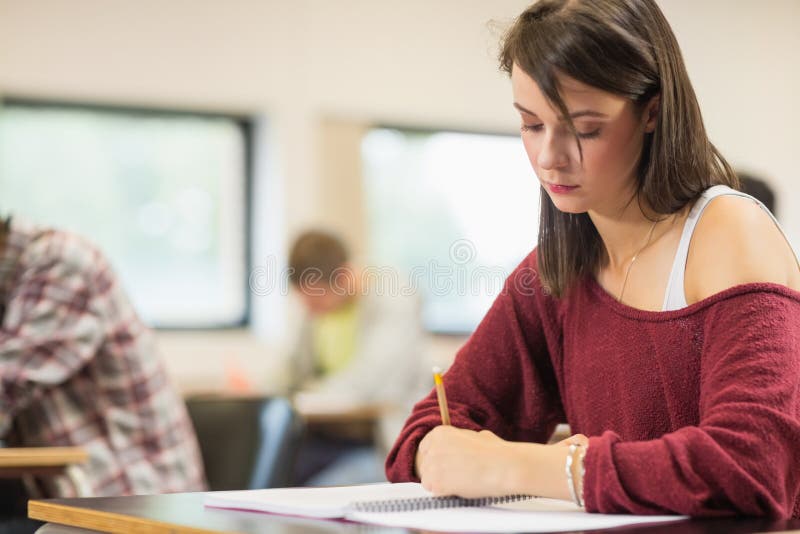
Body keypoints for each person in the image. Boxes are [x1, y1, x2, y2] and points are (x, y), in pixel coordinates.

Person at [386, 0, 800, 518]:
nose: (549, 157)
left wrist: (520, 467)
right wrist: (441, 453)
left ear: (652, 112)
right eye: (532, 124)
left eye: (584, 129)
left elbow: (751, 466)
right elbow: (426, 432)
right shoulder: (556, 272)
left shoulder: (729, 233)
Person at [0, 215, 206, 501]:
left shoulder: (62, 262)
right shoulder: (13, 285)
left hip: (137, 498)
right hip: (71, 495)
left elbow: (7, 382)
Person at [287, 230, 425, 485]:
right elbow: (291, 370)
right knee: (273, 472)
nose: (313, 312)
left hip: (377, 442)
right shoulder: (316, 311)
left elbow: (368, 385)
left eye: (318, 302)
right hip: (325, 436)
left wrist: (306, 393)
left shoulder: (393, 300)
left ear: (344, 276)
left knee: (316, 489)